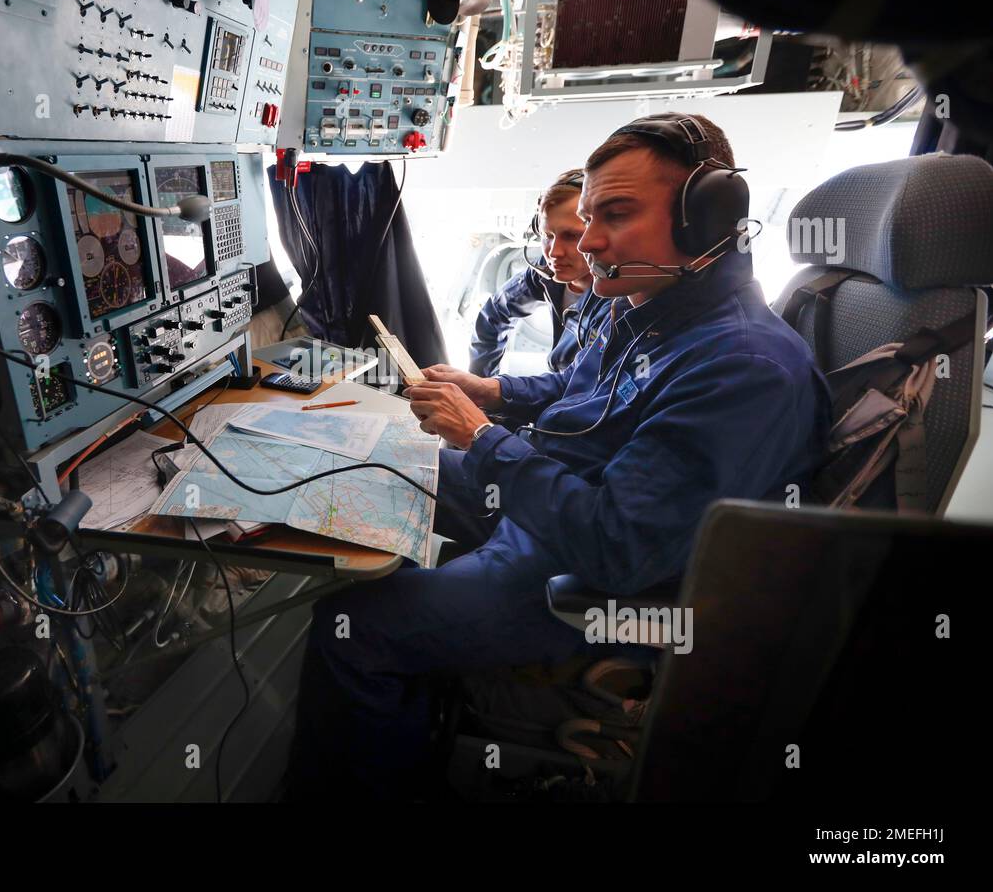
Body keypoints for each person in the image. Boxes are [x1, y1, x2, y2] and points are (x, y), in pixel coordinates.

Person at [284, 113, 832, 801]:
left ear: (706, 219)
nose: (591, 241)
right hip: (552, 506)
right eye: (588, 217)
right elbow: (581, 394)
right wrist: (493, 392)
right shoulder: (648, 304)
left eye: (617, 215)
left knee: (353, 630)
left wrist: (484, 438)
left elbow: (617, 547)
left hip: (593, 581)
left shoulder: (743, 368)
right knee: (386, 457)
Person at [468, 170, 607, 377]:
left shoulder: (615, 303)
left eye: (571, 236)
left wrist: (496, 392)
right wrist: (480, 383)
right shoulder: (546, 272)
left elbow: (576, 387)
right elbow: (495, 314)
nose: (554, 252)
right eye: (546, 235)